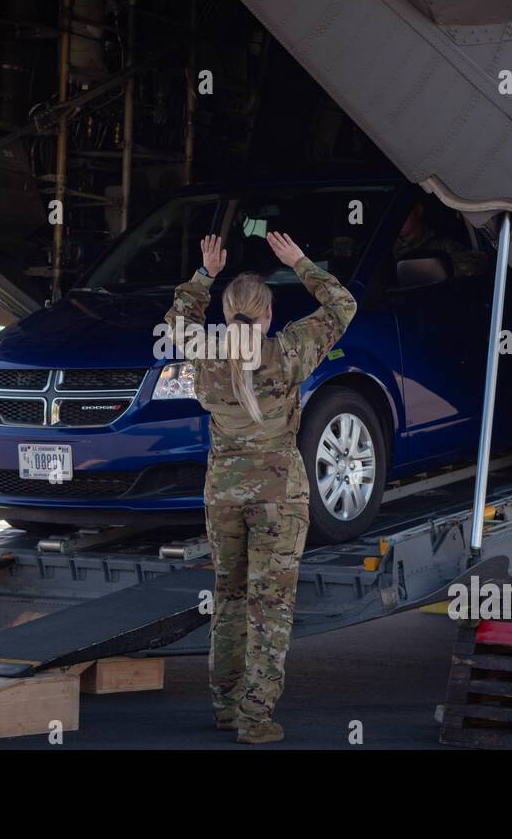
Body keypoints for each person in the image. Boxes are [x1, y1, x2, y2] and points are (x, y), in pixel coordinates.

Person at [165, 230, 356, 743]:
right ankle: (255, 717)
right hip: (279, 496)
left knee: (228, 596)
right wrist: (300, 261)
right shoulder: (289, 352)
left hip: (223, 492)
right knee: (269, 603)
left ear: (227, 316)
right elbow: (342, 306)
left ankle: (225, 707)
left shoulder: (204, 352)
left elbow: (176, 320)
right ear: (268, 314)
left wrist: (204, 275)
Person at [393, 199, 489, 278]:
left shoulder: (443, 246)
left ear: (419, 209)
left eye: (402, 210)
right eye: (393, 212)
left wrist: (442, 266)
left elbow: (479, 264)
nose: (397, 217)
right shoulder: (385, 246)